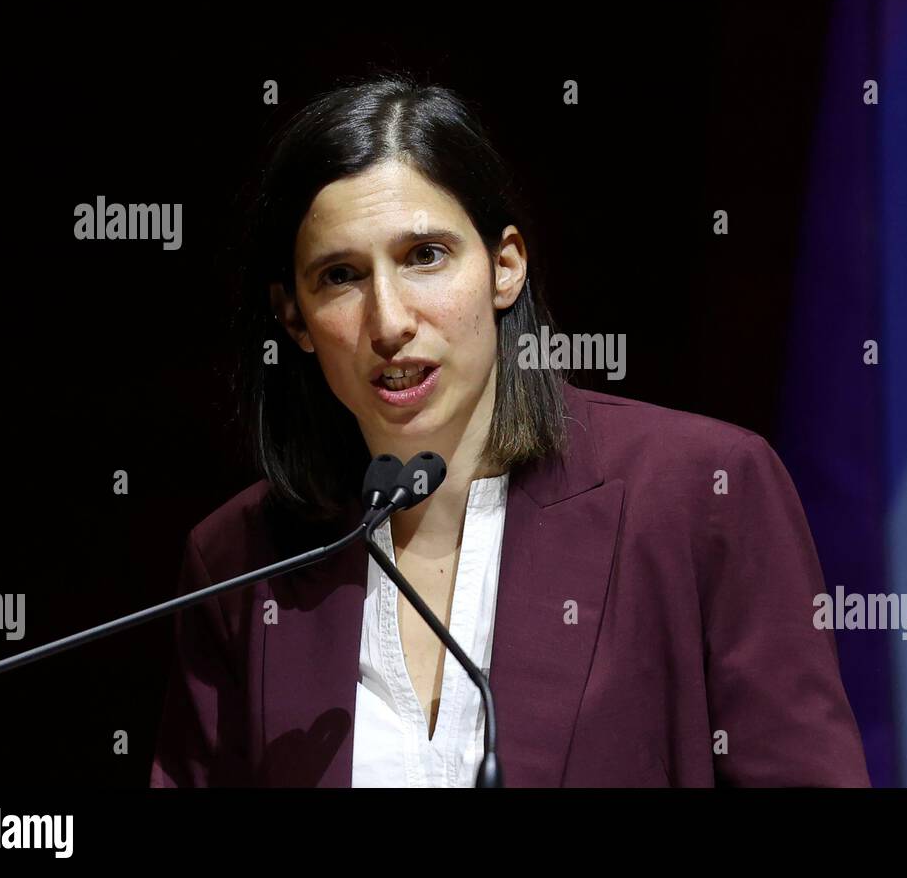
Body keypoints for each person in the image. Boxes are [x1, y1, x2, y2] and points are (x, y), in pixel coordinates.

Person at [148, 72, 870, 787]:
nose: (390, 321)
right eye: (341, 276)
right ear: (295, 318)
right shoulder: (238, 565)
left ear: (504, 267)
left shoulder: (701, 491)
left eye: (423, 256)